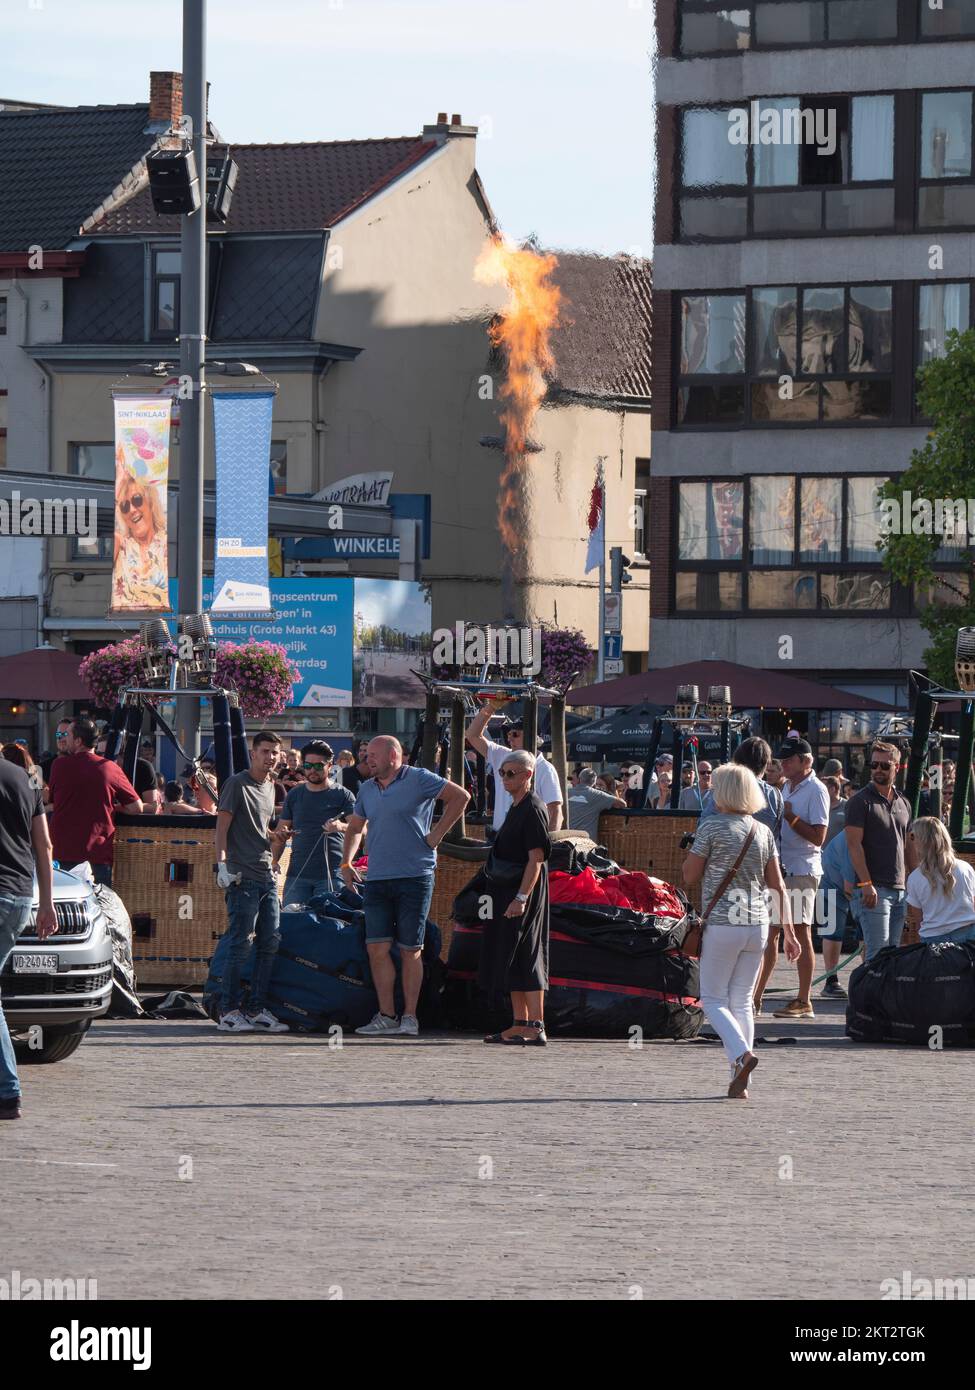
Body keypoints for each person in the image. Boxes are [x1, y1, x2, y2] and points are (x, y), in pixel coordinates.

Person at [683, 764, 799, 1099]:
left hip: (722, 923)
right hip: (758, 925)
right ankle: (739, 1073)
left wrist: (691, 854)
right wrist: (788, 932)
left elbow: (690, 875)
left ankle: (741, 1056)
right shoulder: (761, 831)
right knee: (743, 1000)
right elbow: (777, 885)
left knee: (712, 999)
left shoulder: (711, 827)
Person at [341, 737, 469, 1037]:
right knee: (377, 948)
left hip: (414, 875)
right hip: (377, 877)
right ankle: (386, 1015)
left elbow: (460, 797)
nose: (367, 759)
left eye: (373, 755)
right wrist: (347, 863)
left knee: (411, 948)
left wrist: (436, 835)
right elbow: (356, 827)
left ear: (393, 755)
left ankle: (410, 1017)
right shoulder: (368, 789)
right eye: (365, 754)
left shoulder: (418, 778)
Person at [470, 749, 553, 1045]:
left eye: (511, 773)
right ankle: (520, 1023)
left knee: (528, 954)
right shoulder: (517, 806)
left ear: (528, 775)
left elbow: (537, 858)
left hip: (522, 893)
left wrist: (521, 897)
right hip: (505, 894)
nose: (504, 778)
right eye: (502, 773)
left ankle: (537, 1024)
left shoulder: (532, 808)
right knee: (513, 956)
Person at [214, 730, 290, 1034]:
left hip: (264, 873)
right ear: (253, 753)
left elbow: (261, 830)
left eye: (274, 752)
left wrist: (277, 837)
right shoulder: (236, 783)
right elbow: (221, 827)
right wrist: (222, 865)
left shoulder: (272, 786)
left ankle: (256, 1007)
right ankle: (228, 1009)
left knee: (270, 942)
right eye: (265, 751)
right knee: (240, 943)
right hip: (241, 876)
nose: (269, 757)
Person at [0, 752, 58, 1120]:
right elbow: (45, 846)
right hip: (21, 897)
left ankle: (8, 1090)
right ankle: (6, 1092)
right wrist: (47, 904)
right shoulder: (27, 778)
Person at [755, 738, 829, 1019]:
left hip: (802, 868)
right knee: (772, 932)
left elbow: (820, 838)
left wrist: (791, 817)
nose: (783, 765)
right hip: (786, 868)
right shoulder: (787, 786)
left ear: (805, 761)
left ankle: (803, 999)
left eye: (789, 760)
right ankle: (757, 997)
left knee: (798, 931)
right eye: (782, 760)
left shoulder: (817, 790)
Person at [844, 741, 916, 963]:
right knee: (877, 953)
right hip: (873, 888)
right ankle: (869, 998)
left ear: (897, 766)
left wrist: (914, 883)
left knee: (892, 954)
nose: (877, 770)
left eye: (884, 766)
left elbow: (908, 847)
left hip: (899, 889)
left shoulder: (904, 802)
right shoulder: (859, 802)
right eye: (873, 764)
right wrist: (866, 884)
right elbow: (853, 846)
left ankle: (884, 998)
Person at [47, 718, 142, 886]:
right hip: (97, 854)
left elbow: (52, 800)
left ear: (78, 741)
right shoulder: (110, 768)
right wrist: (111, 807)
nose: (63, 739)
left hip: (63, 853)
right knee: (100, 907)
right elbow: (136, 807)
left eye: (67, 735)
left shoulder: (59, 766)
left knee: (63, 907)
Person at [274, 740, 355, 906]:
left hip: (331, 874)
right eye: (308, 765)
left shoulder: (343, 794)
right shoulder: (295, 795)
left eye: (318, 766)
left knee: (330, 926)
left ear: (330, 766)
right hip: (297, 874)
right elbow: (280, 830)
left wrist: (340, 826)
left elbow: (361, 828)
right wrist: (275, 859)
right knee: (293, 924)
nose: (312, 770)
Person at [466, 701, 563, 837]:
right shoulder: (503, 755)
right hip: (498, 837)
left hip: (527, 842)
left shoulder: (545, 769)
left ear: (532, 737)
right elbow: (472, 735)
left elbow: (556, 812)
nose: (509, 738)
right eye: (508, 734)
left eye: (515, 734)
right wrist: (492, 706)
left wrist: (548, 845)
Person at [906, 817, 975, 944]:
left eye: (912, 836)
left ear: (921, 841)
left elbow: (919, 919)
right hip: (968, 937)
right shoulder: (966, 868)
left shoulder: (914, 878)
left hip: (933, 940)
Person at [700, 738, 783, 844]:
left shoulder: (725, 787)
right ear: (766, 764)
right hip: (759, 857)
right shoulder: (775, 796)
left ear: (737, 761)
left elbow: (703, 827)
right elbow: (773, 838)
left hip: (723, 856)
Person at [112, 469, 168, 612]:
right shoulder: (120, 544)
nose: (131, 510)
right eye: (124, 506)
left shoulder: (169, 542)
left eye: (137, 500)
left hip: (166, 623)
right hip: (124, 624)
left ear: (150, 501)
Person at [567, 766, 626, 839]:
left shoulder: (565, 793)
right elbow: (622, 804)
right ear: (594, 782)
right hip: (586, 842)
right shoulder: (598, 795)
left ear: (579, 779)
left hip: (566, 839)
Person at [41, 718, 74, 794]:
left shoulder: (82, 766)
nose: (61, 738)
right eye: (58, 734)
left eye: (65, 734)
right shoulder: (41, 768)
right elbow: (32, 800)